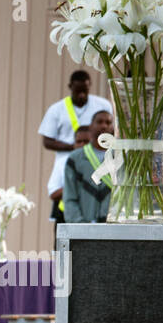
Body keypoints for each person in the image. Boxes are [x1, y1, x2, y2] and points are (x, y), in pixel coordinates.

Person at [39, 70, 114, 222]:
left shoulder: (102, 105)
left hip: (98, 158)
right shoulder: (57, 109)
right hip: (70, 159)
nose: (81, 95)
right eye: (77, 91)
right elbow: (47, 140)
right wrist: (73, 148)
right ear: (70, 87)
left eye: (84, 91)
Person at [61, 112, 113, 224]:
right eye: (99, 122)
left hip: (114, 228)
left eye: (108, 122)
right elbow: (69, 196)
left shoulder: (120, 157)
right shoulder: (76, 158)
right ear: (91, 127)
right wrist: (79, 224)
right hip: (84, 227)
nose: (104, 126)